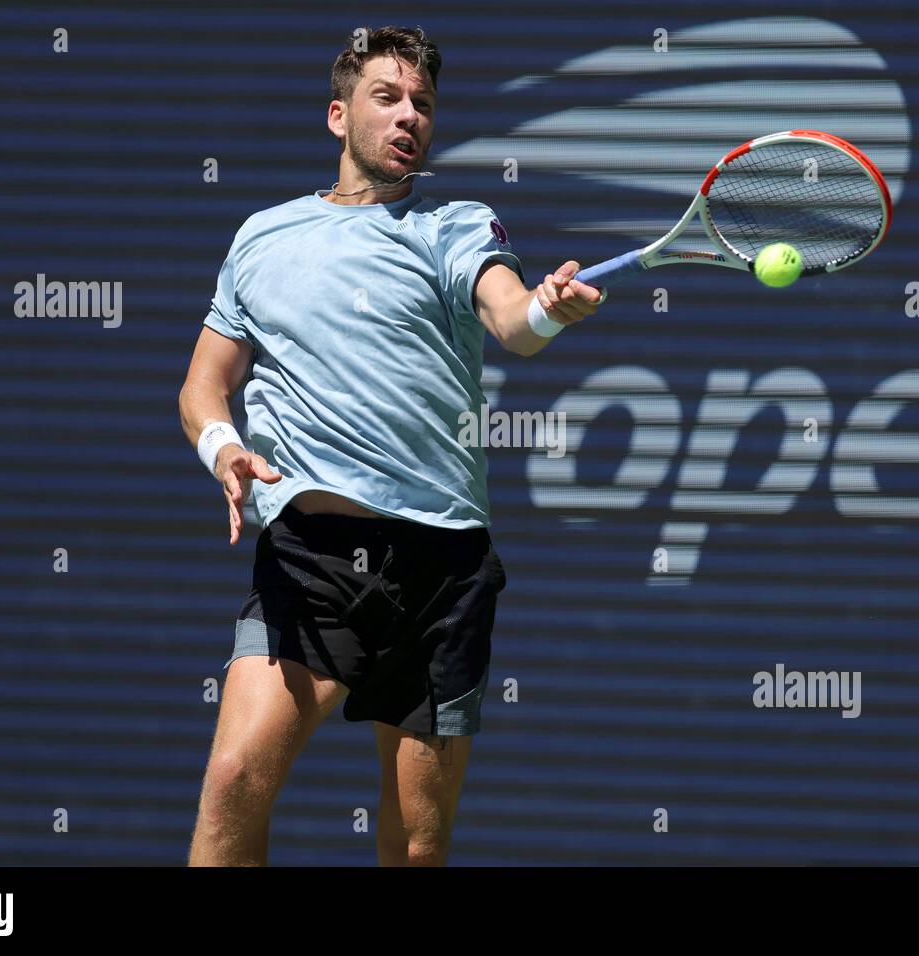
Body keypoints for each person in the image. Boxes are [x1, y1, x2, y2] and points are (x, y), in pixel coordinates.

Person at [179, 25, 604, 866]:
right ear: (339, 116)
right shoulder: (262, 238)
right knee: (234, 781)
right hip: (311, 555)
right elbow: (201, 387)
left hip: (438, 567)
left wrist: (549, 308)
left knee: (414, 845)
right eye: (388, 97)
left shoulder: (457, 226)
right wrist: (224, 449)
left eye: (424, 104)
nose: (410, 116)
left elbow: (512, 321)